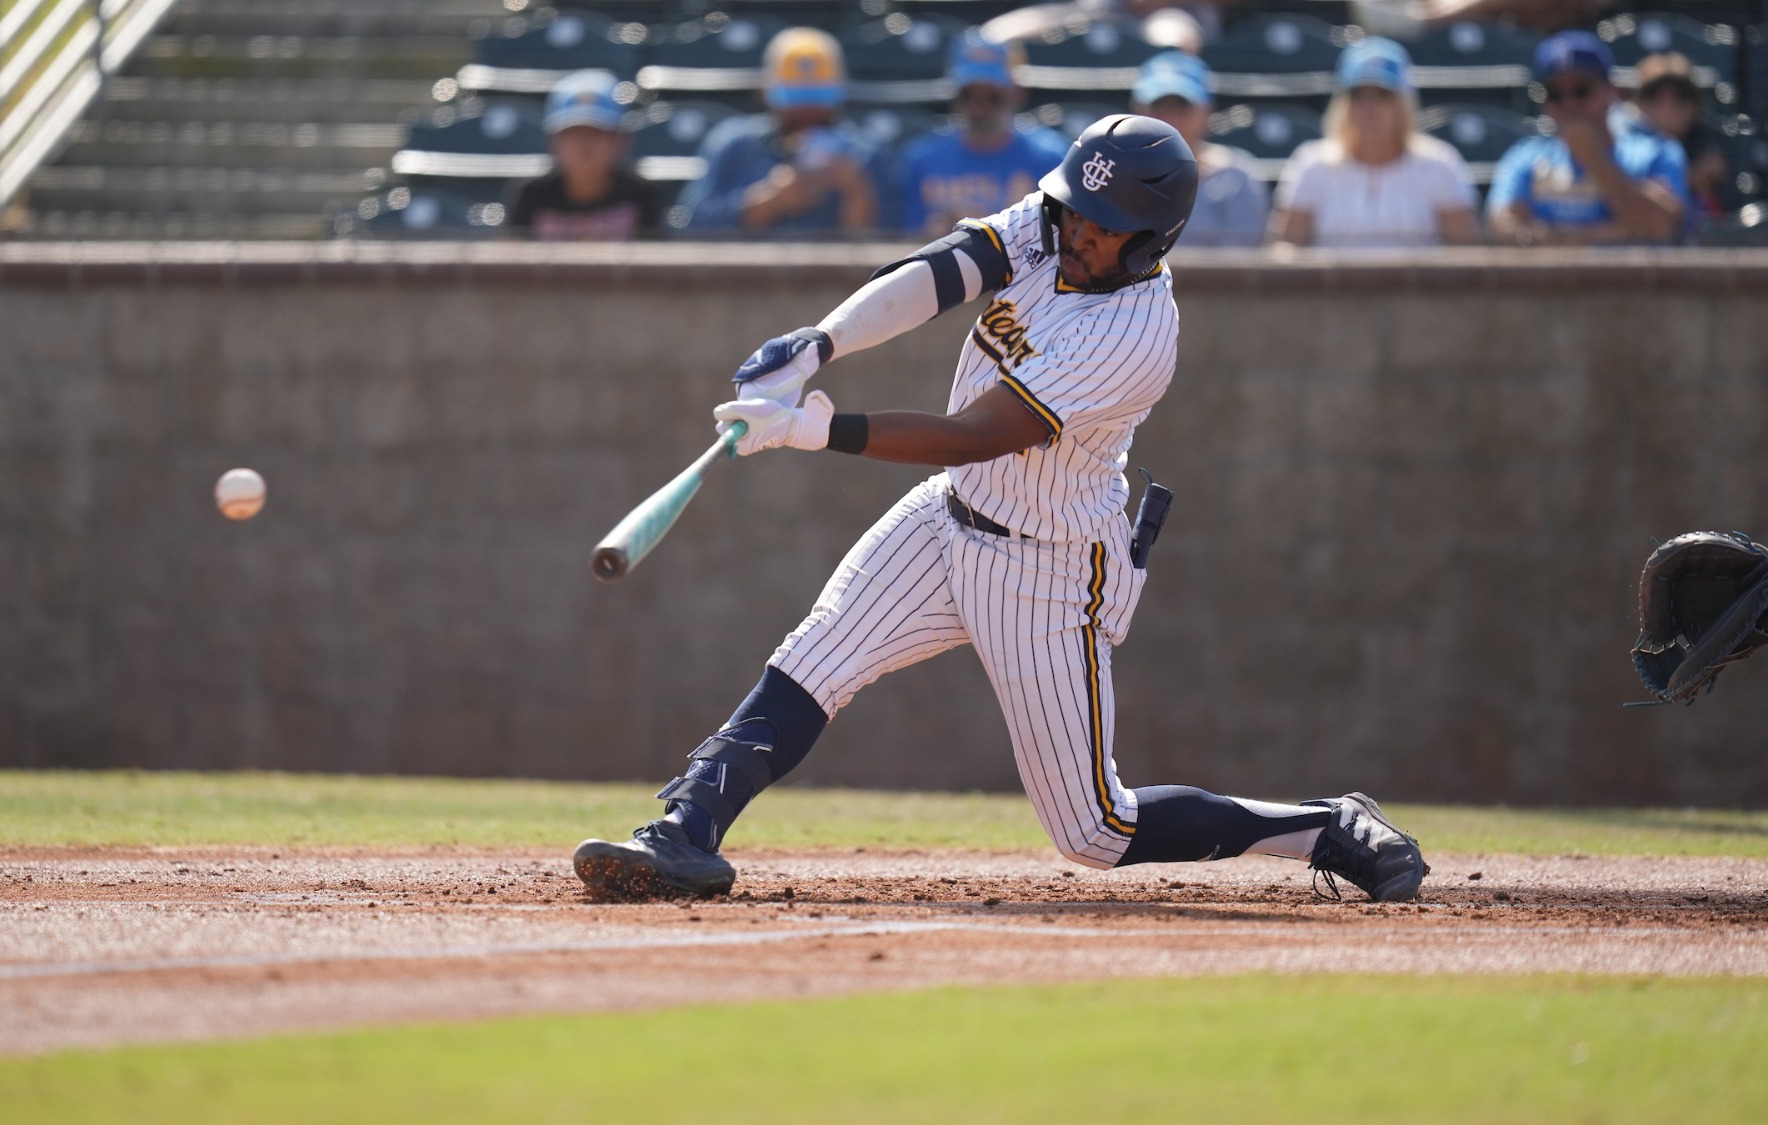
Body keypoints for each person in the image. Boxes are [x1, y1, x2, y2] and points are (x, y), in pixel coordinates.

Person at [573, 115, 1429, 906]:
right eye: (1075, 213)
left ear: (1151, 240)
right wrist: (822, 342)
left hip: (1048, 563)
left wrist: (808, 427)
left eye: (1104, 227)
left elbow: (975, 435)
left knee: (1096, 829)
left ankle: (1322, 824)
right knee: (813, 658)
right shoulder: (1059, 220)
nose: (1080, 234)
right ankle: (685, 830)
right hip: (948, 518)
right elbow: (944, 269)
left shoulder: (1133, 335)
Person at [1271, 37, 1478, 248]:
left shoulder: (1439, 165)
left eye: (1383, 94)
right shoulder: (1311, 165)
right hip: (1335, 281)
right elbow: (1287, 251)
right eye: (1358, 94)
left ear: (1404, 103)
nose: (1369, 107)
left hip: (1416, 282)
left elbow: (1466, 253)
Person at [1487, 32, 1686, 246]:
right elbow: (1503, 230)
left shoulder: (1656, 152)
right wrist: (1613, 233)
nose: (1570, 104)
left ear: (1612, 92)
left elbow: (1659, 227)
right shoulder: (1525, 156)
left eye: (1582, 91)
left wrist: (1593, 157)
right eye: (1555, 94)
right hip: (1551, 280)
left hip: (1631, 279)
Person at [679, 27, 880, 234]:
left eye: (820, 95)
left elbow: (894, 248)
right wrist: (767, 201)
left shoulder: (865, 155)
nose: (806, 109)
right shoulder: (734, 145)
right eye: (792, 96)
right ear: (767, 92)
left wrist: (856, 191)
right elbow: (687, 225)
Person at [894, 29, 1065, 239]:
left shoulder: (1050, 159)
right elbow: (903, 242)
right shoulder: (921, 160)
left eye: (992, 96)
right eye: (968, 95)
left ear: (1016, 92)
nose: (979, 106)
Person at [504, 70, 665, 240]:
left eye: (596, 134)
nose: (583, 146)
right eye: (572, 134)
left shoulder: (642, 195)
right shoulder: (531, 194)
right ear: (553, 141)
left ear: (621, 140)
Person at [1131, 50, 1267, 248]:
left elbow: (1240, 265)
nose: (1170, 117)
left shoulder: (1237, 177)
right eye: (1158, 105)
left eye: (1181, 106)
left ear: (1207, 110)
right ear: (1138, 109)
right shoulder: (1116, 175)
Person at [1630, 52, 1732, 225]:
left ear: (1695, 105)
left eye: (1681, 94)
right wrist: (1689, 178)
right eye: (1654, 94)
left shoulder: (1709, 148)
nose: (1668, 103)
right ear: (1639, 102)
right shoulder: (1623, 145)